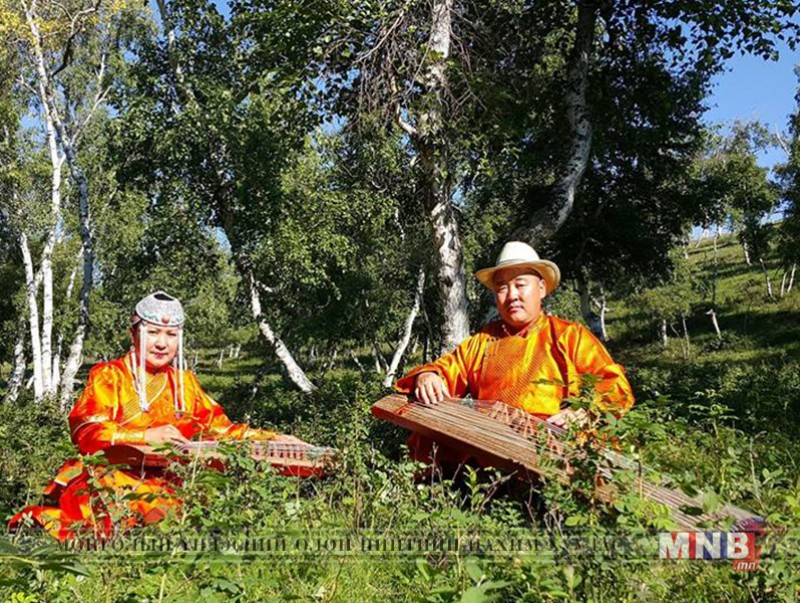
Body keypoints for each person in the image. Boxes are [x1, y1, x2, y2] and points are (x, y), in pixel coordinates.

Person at [9, 291, 291, 540]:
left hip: (171, 475)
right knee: (125, 501)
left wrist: (276, 438)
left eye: (170, 335)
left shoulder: (186, 383)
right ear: (134, 334)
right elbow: (87, 432)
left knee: (213, 496)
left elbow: (220, 429)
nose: (161, 343)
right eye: (152, 333)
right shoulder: (110, 375)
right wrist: (144, 436)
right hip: (111, 471)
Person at [394, 241, 634, 464]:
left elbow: (614, 386)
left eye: (520, 285)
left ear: (541, 289)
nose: (512, 296)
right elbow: (448, 370)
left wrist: (585, 412)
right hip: (490, 448)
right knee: (429, 431)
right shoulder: (483, 341)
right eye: (502, 288)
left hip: (552, 451)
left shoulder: (569, 336)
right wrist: (428, 375)